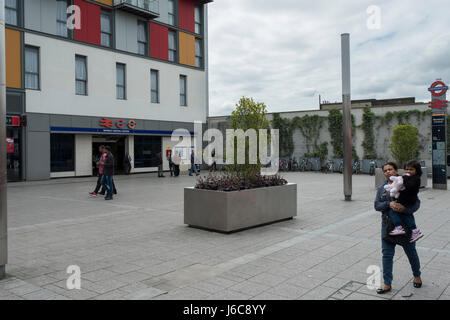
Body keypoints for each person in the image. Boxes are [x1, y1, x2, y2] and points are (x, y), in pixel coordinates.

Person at [374, 162, 422, 294]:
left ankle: (417, 275)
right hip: (388, 226)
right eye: (385, 170)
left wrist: (404, 209)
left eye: (390, 169)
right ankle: (387, 283)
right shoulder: (381, 188)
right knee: (387, 255)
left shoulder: (406, 184)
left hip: (405, 226)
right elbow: (377, 205)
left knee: (411, 252)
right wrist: (388, 204)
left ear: (396, 171)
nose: (388, 172)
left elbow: (416, 204)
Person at [386, 160, 424, 242]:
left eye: (411, 169)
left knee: (403, 214)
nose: (408, 171)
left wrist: (404, 178)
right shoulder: (404, 178)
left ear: (416, 170)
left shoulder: (415, 179)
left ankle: (403, 228)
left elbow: (409, 186)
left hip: (408, 200)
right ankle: (412, 230)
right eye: (406, 169)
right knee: (398, 213)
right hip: (403, 199)